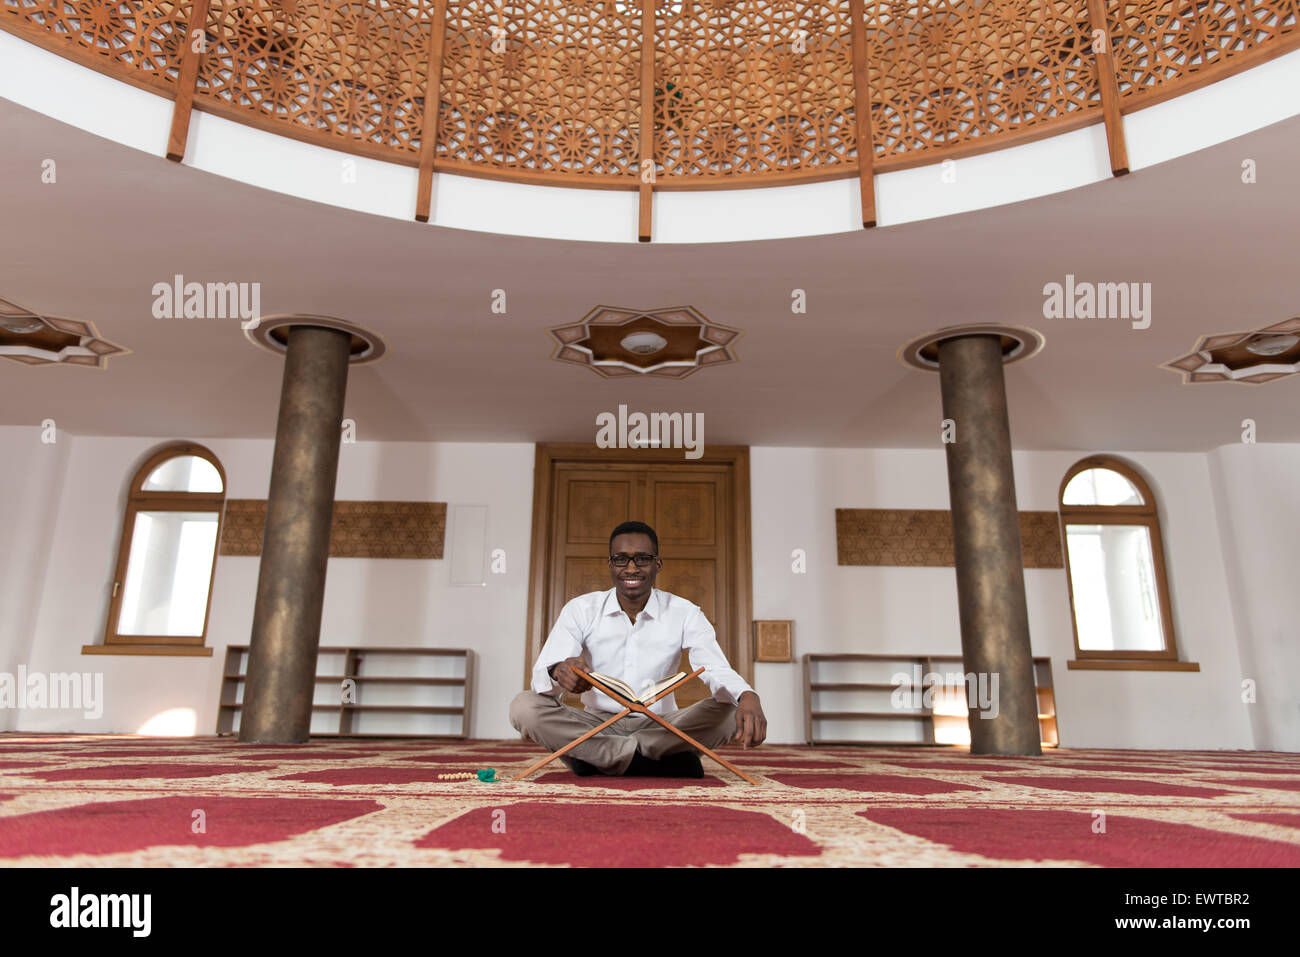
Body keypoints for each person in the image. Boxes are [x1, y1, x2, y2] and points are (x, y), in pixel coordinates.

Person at [510, 521, 768, 777]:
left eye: (642, 559)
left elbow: (714, 667)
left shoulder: (685, 612)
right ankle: (655, 762)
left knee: (729, 708)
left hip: (661, 727)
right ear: (610, 565)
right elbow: (542, 679)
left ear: (658, 564)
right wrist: (559, 671)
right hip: (595, 725)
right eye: (621, 559)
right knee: (524, 707)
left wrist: (747, 695)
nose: (631, 568)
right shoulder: (581, 609)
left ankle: (597, 758)